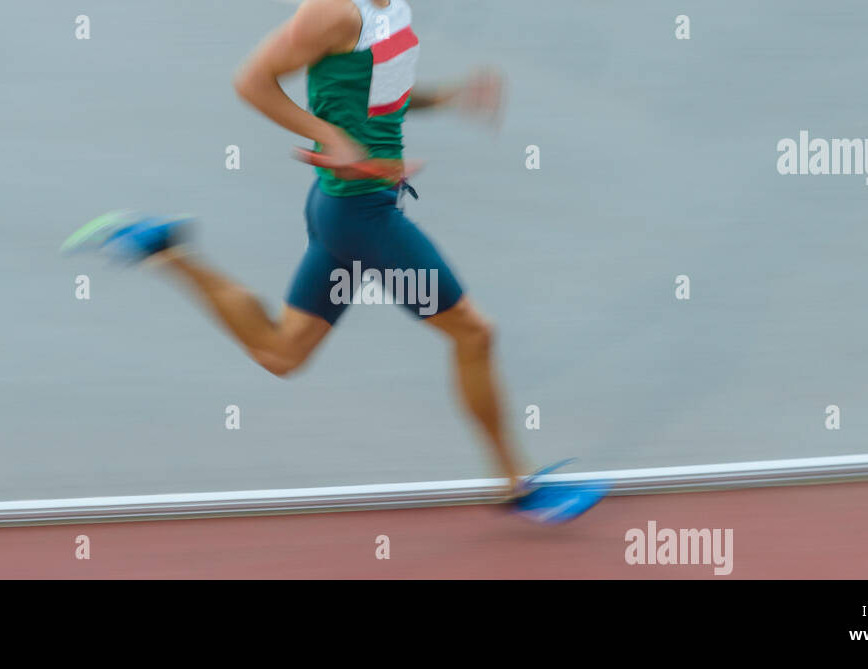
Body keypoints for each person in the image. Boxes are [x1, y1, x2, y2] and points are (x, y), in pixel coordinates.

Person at [64, 0, 606, 523]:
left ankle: (164, 250)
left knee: (280, 353)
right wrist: (329, 136)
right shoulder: (332, 11)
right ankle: (518, 484)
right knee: (474, 334)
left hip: (344, 213)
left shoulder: (388, 10)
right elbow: (251, 81)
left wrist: (449, 97)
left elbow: (376, 92)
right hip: (362, 218)